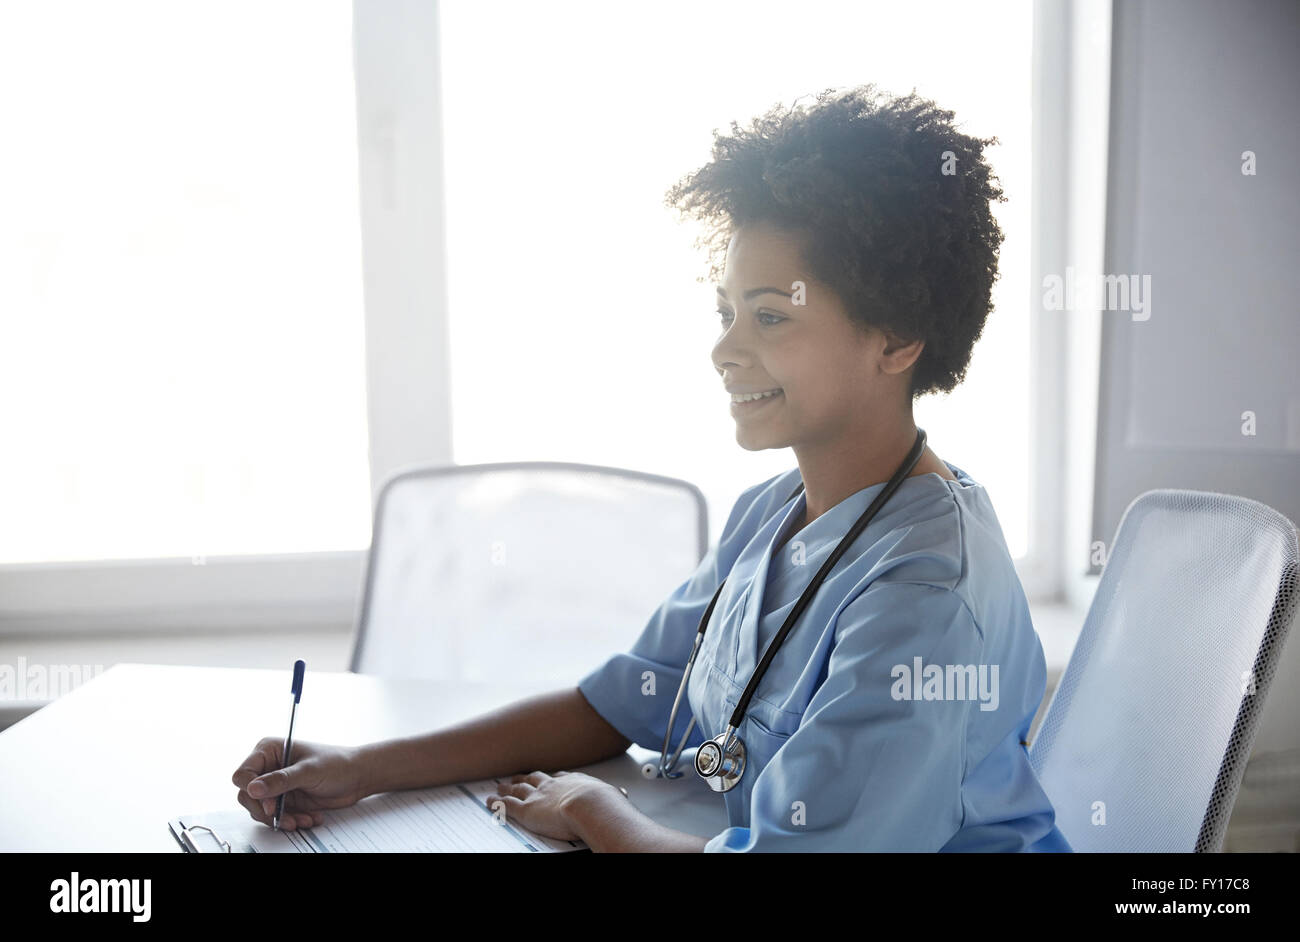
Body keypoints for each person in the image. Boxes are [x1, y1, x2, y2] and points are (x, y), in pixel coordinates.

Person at [232, 84, 1070, 852]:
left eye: (771, 317)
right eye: (726, 311)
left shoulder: (926, 597)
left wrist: (592, 813)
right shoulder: (772, 513)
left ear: (898, 338)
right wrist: (362, 767)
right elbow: (614, 705)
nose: (723, 349)